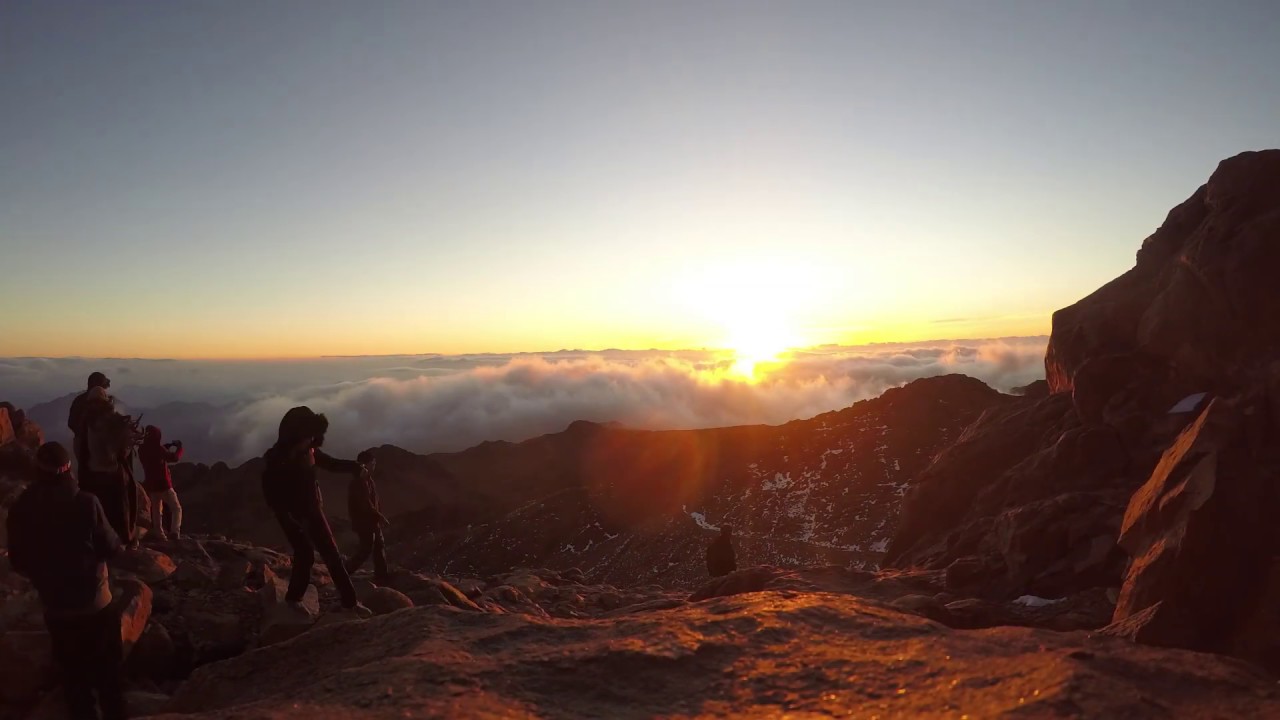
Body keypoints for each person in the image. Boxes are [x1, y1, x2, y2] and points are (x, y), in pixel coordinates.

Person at [7, 442, 127, 720]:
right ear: (68, 469)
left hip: (56, 608)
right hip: (96, 605)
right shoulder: (86, 502)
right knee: (110, 680)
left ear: (38, 470)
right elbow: (112, 548)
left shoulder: (21, 509)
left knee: (75, 682)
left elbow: (18, 561)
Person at [261, 406, 372, 619]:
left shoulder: (308, 451)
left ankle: (347, 602)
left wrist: (356, 468)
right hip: (293, 516)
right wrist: (292, 519)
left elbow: (331, 463)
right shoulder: (278, 463)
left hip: (311, 511)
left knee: (329, 555)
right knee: (308, 555)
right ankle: (297, 600)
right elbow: (274, 498)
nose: (311, 440)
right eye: (307, 435)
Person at [80, 386, 139, 547]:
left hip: (93, 473)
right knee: (122, 507)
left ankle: (100, 540)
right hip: (113, 473)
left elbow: (82, 448)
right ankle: (124, 538)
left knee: (100, 508)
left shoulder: (87, 422)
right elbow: (122, 450)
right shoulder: (114, 420)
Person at [345, 449, 391, 584]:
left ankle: (381, 576)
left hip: (372, 521)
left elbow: (374, 501)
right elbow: (365, 504)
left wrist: (378, 515)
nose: (374, 466)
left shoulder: (368, 480)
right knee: (366, 549)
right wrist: (380, 516)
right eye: (373, 463)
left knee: (379, 546)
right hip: (364, 522)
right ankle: (344, 571)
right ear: (365, 464)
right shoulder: (358, 482)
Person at [138, 426, 184, 541]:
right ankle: (175, 532)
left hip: (151, 485)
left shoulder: (141, 449)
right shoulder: (159, 449)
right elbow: (174, 458)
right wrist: (180, 449)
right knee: (176, 508)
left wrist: (164, 448)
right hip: (164, 485)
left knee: (157, 510)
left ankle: (159, 534)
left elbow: (154, 454)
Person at [67, 371, 111, 473]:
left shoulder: (78, 400)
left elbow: (71, 423)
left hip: (80, 443)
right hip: (98, 446)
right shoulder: (106, 405)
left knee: (85, 472)